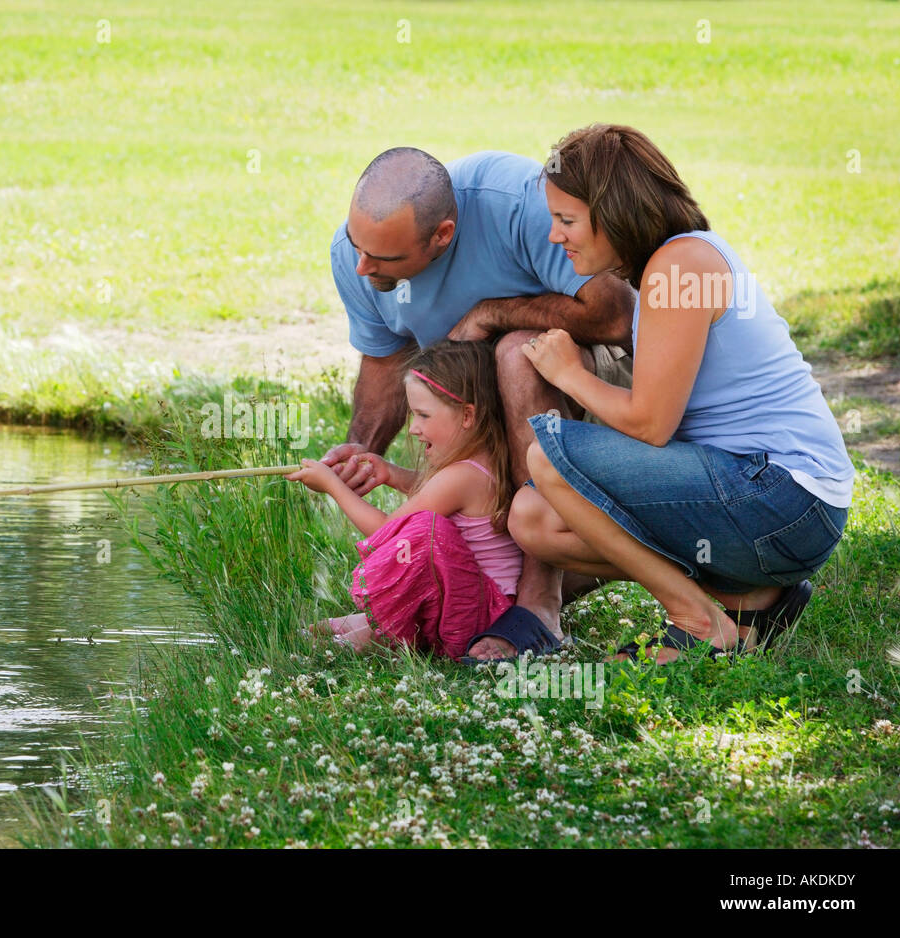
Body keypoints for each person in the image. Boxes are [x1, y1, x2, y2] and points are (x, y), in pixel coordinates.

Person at [496, 123, 854, 664]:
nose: (555, 236)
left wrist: (568, 373)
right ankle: (747, 600)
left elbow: (649, 425)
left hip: (783, 496)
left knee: (546, 454)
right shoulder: (670, 265)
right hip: (770, 504)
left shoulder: (680, 267)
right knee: (534, 519)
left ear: (614, 212)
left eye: (567, 220)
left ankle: (697, 620)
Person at [319, 147, 637, 657]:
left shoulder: (514, 202)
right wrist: (359, 451)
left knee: (514, 354)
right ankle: (493, 589)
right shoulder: (357, 256)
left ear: (443, 234)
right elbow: (385, 360)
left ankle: (537, 604)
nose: (361, 266)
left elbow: (615, 315)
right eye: (358, 245)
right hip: (487, 415)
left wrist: (494, 313)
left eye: (384, 259)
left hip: (598, 385)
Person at [288, 341, 523, 658]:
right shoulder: (481, 465)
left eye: (423, 415)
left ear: (468, 415)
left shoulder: (461, 477)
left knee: (422, 532)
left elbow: (389, 532)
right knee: (338, 625)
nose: (413, 428)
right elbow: (441, 499)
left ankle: (375, 635)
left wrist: (332, 486)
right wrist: (393, 474)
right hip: (483, 606)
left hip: (479, 618)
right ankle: (358, 629)